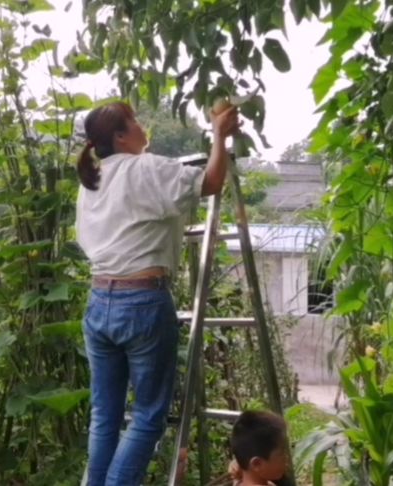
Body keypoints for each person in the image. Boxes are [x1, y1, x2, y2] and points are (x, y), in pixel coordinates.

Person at [75, 100, 239, 486]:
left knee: (105, 416)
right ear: (119, 136)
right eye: (133, 121)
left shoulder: (93, 182)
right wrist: (219, 134)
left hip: (99, 300)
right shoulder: (146, 168)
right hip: (142, 300)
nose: (141, 125)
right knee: (148, 415)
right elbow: (211, 182)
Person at [228, 411, 292, 486]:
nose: (286, 458)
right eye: (282, 453)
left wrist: (241, 462)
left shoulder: (239, 482)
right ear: (257, 464)